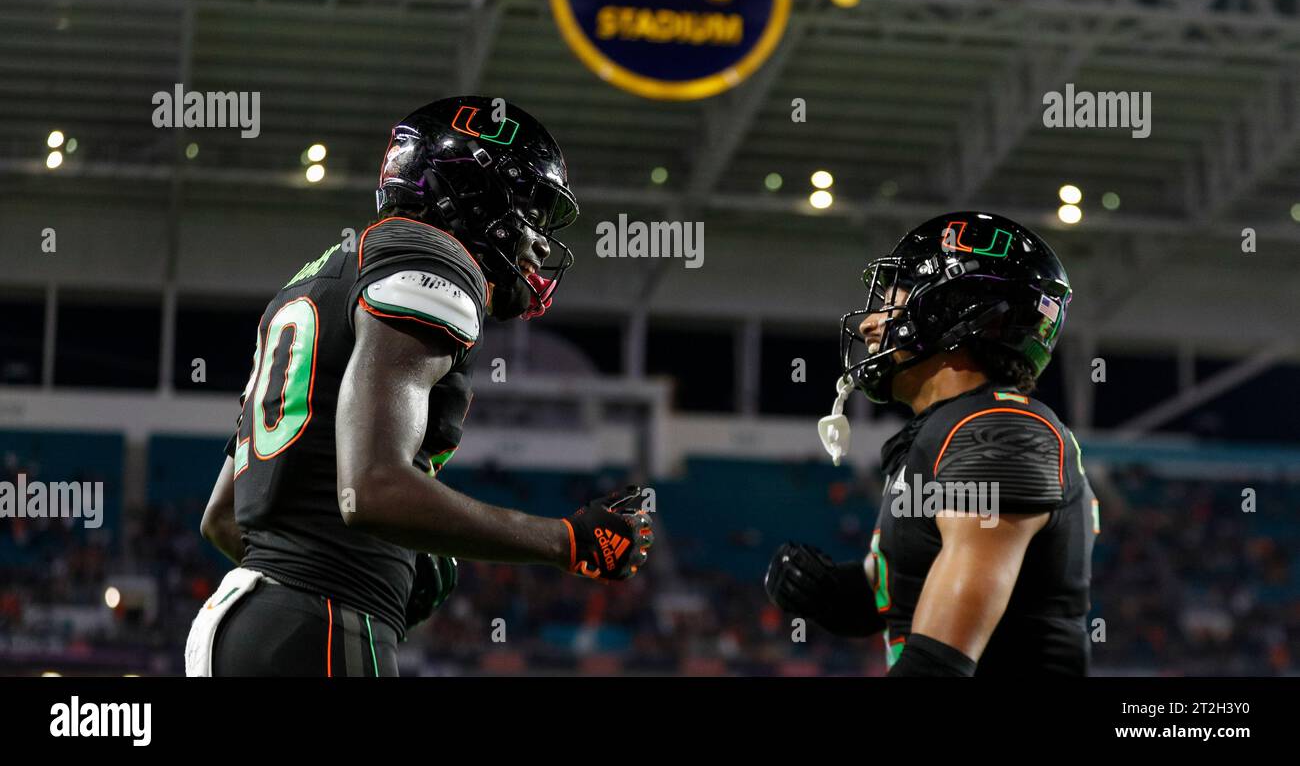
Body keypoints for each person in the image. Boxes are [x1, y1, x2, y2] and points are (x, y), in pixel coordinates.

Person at [189, 96, 653, 676]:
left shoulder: (326, 274)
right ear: (473, 191)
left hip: (245, 622)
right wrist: (567, 541)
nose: (536, 241)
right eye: (529, 210)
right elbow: (373, 490)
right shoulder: (431, 261)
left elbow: (222, 517)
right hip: (322, 624)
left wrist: (385, 565)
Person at [765, 211, 1096, 676]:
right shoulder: (950, 431)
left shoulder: (999, 432)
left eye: (894, 300)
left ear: (956, 306)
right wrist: (827, 591)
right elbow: (908, 593)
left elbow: (940, 664)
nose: (870, 324)